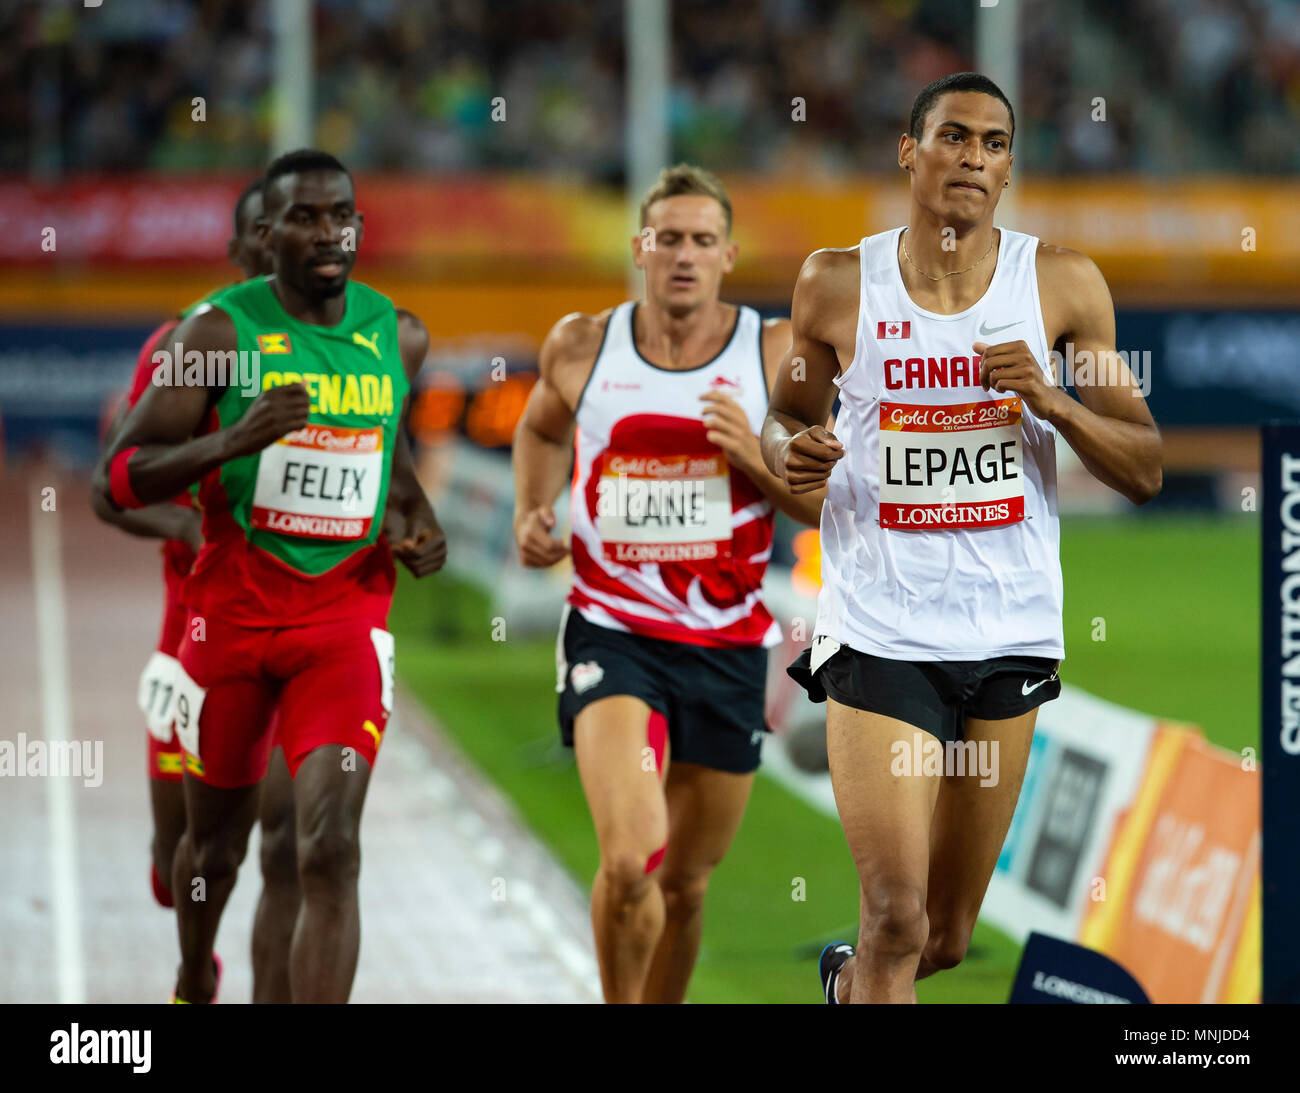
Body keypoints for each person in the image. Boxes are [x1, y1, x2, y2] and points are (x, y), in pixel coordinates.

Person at [760, 73, 1162, 1004]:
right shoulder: (832, 283)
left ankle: (847, 986)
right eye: (952, 135)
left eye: (992, 142)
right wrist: (797, 451)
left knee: (941, 937)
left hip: (1009, 634)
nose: (972, 156)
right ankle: (871, 965)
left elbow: (1143, 467)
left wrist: (1053, 399)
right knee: (895, 916)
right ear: (909, 150)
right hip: (879, 632)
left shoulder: (1060, 284)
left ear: (1009, 169)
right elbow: (783, 415)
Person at [91, 149, 447, 1003]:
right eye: (305, 217)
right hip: (230, 621)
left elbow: (386, 456)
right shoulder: (213, 334)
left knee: (329, 843)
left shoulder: (396, 334)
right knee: (213, 853)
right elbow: (116, 476)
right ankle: (191, 973)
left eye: (341, 216)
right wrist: (230, 441)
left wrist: (417, 520)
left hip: (342, 623)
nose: (328, 233)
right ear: (264, 233)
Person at [513, 164, 824, 1003]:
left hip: (726, 647)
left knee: (684, 887)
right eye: (667, 239)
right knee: (630, 856)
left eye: (701, 241)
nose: (683, 256)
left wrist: (754, 454)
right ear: (639, 249)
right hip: (612, 634)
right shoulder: (584, 344)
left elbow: (830, 503)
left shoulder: (777, 353)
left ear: (727, 254)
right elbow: (539, 426)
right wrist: (532, 510)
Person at [92, 177, 303, 1002]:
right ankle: (194, 967)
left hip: (303, 631)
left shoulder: (334, 342)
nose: (274, 246)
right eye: (260, 233)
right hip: (195, 635)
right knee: (184, 859)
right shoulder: (185, 344)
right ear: (238, 249)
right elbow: (108, 489)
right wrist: (186, 528)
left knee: (288, 842)